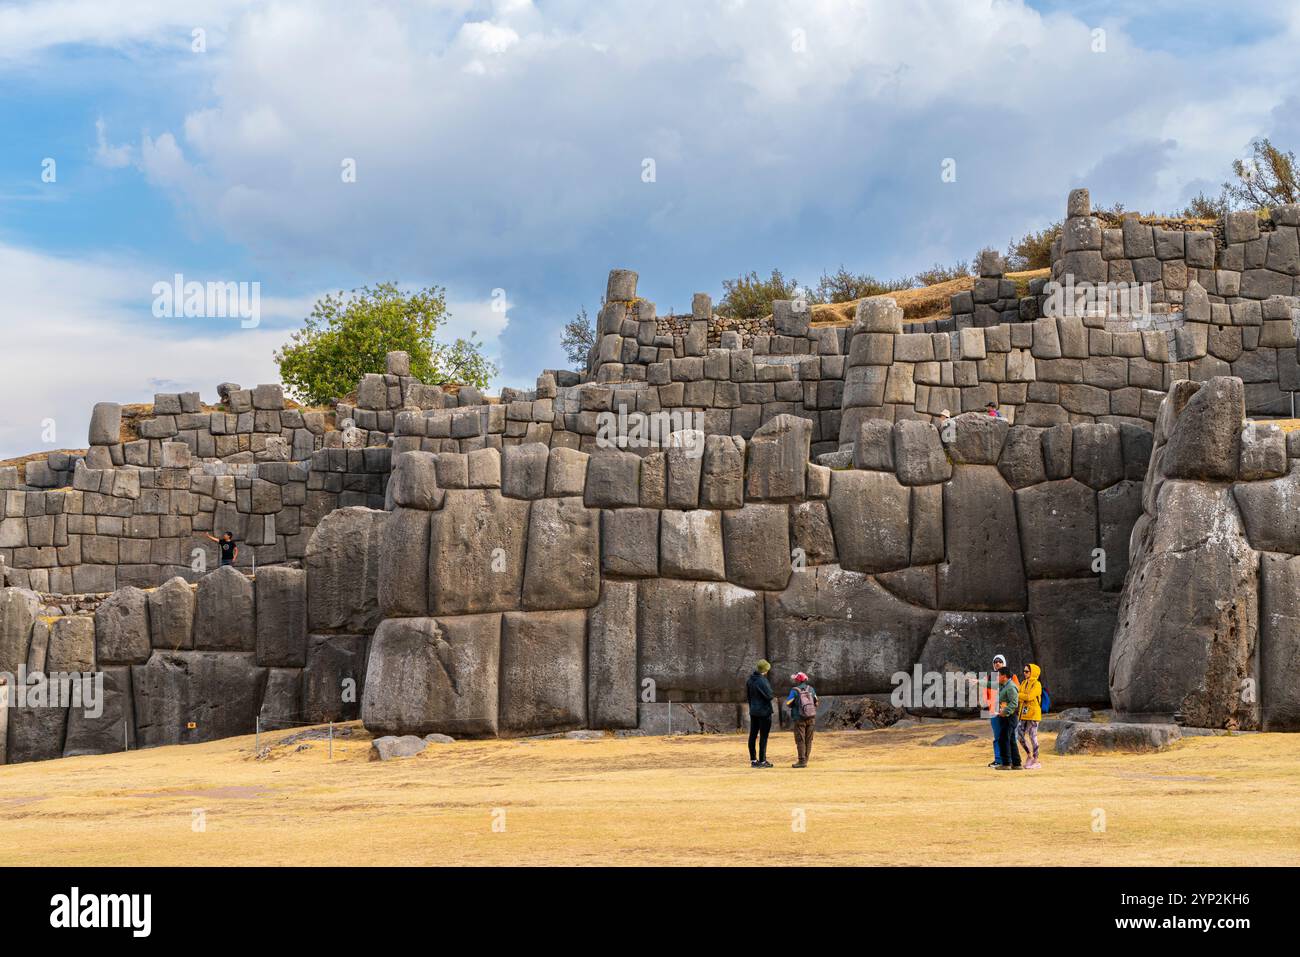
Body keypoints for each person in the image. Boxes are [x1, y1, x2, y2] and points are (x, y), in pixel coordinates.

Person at [986, 653, 1019, 768]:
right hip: (994, 709)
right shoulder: (990, 677)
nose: (997, 663)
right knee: (997, 736)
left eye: (1000, 661)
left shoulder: (1011, 676)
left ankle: (1010, 760)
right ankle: (999, 759)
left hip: (1008, 711)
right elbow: (987, 691)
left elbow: (1015, 695)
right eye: (995, 661)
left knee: (1009, 736)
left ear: (1004, 662)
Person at [745, 659, 776, 768]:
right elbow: (769, 695)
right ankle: (762, 761)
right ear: (765, 670)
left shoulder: (750, 680)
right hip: (764, 712)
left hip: (753, 711)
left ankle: (753, 760)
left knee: (752, 735)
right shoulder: (762, 681)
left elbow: (748, 696)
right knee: (763, 736)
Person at [785, 672, 820, 768]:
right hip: (811, 717)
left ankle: (801, 761)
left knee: (800, 739)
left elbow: (788, 703)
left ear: (798, 680)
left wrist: (795, 704)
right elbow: (816, 702)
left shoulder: (794, 690)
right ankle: (806, 759)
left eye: (795, 679)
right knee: (809, 739)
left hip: (799, 718)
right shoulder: (811, 689)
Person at [1017, 663, 1044, 769]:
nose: (1025, 673)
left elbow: (1029, 697)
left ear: (1033, 672)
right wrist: (1021, 696)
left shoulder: (1037, 684)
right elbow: (1021, 697)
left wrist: (1019, 695)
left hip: (1034, 714)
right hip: (1023, 713)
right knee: (1020, 735)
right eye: (1024, 671)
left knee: (1033, 736)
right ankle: (1029, 756)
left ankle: (1036, 760)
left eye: (1027, 671)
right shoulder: (1023, 682)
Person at [995, 667, 1022, 770]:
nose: (997, 677)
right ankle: (1017, 763)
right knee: (1010, 740)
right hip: (1006, 716)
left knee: (1003, 739)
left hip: (1009, 717)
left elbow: (1014, 703)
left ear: (1004, 676)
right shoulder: (1004, 685)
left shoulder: (1010, 687)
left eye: (999, 675)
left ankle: (1006, 763)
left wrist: (1004, 712)